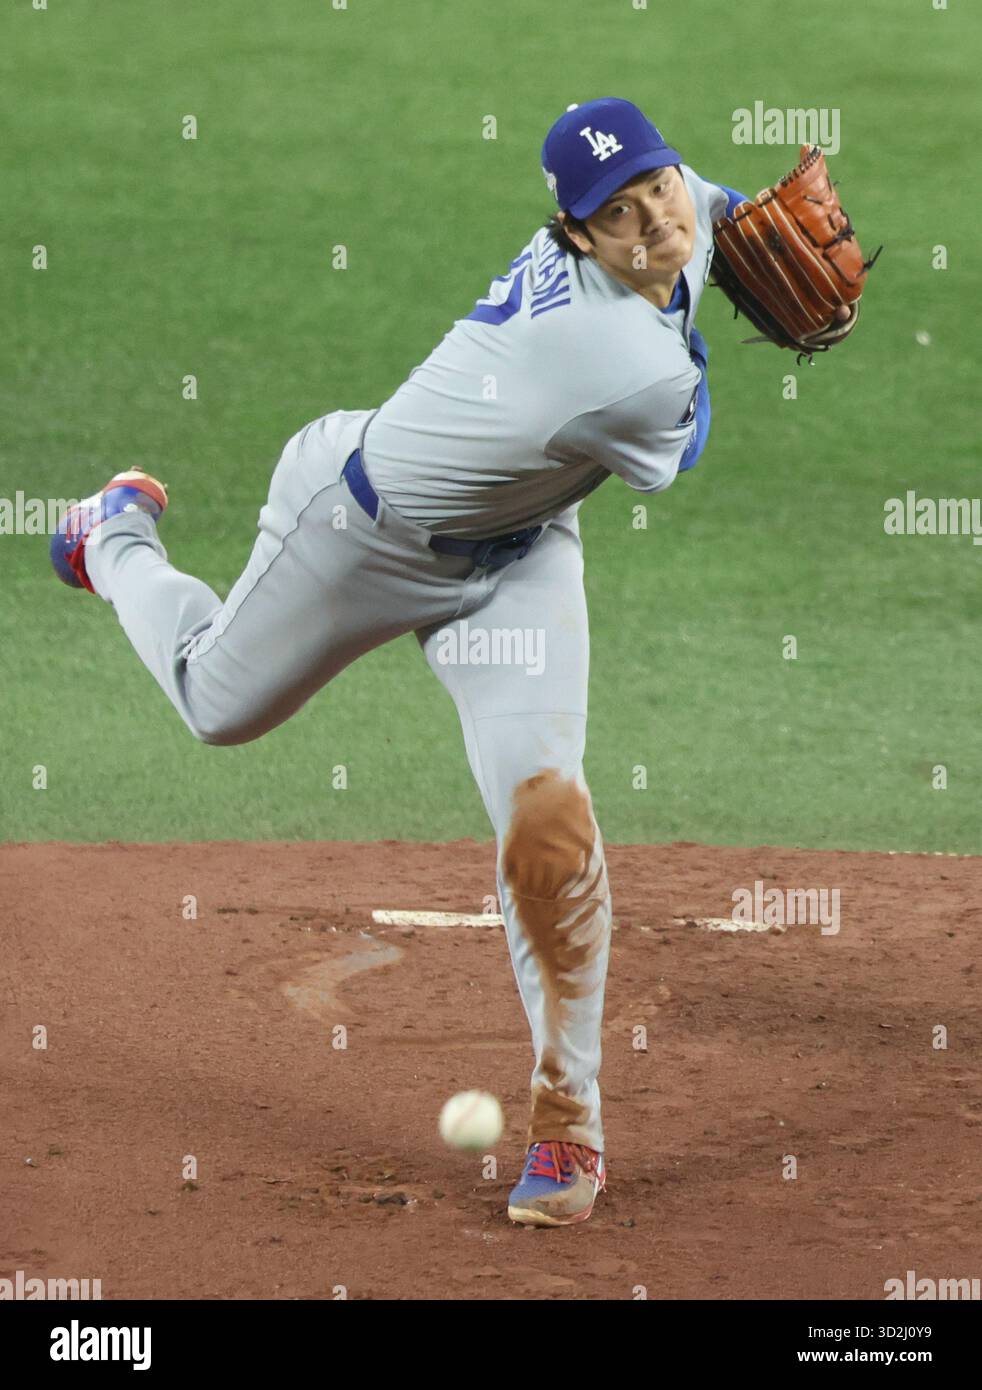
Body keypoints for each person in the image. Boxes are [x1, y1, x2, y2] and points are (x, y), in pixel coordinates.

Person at [51, 97, 748, 1228]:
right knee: (213, 705)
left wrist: (730, 211)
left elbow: (715, 211)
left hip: (518, 559)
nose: (656, 225)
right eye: (617, 216)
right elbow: (682, 425)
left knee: (547, 820)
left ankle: (568, 1129)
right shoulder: (619, 363)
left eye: (659, 189)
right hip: (358, 532)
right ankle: (113, 533)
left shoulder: (675, 210)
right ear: (575, 235)